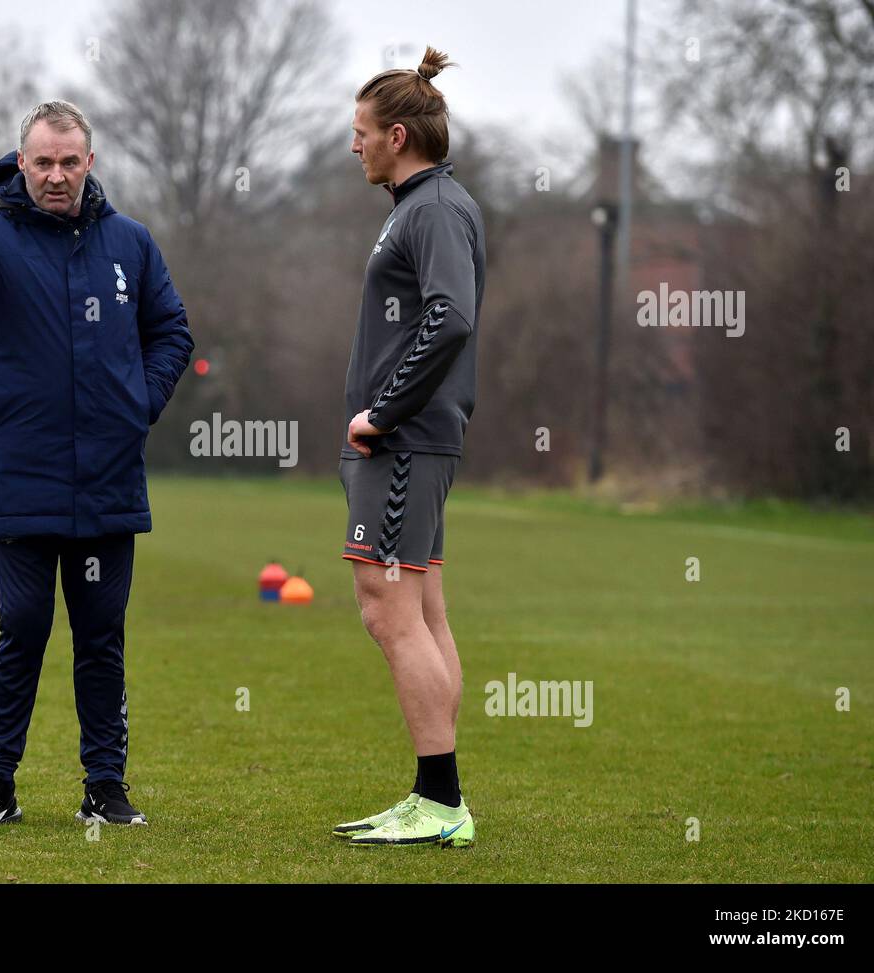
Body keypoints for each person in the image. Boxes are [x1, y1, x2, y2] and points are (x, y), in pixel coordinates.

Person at [0, 100, 193, 828]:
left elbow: (173, 331)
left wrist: (138, 405)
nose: (56, 175)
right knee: (23, 627)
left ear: (89, 163)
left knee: (101, 637)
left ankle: (106, 787)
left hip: (107, 481)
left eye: (69, 162)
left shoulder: (130, 242)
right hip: (23, 480)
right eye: (43, 162)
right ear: (21, 162)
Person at [334, 48, 485, 847]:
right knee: (421, 608)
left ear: (398, 135)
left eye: (361, 133)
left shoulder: (430, 209)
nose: (352, 145)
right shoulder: (423, 204)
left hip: (406, 443)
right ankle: (436, 794)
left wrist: (381, 414)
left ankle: (441, 799)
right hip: (415, 444)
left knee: (389, 611)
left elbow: (450, 315)